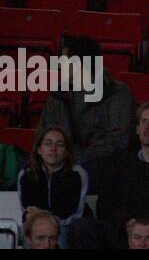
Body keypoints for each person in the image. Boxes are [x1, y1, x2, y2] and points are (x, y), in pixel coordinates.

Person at [68, 100, 149, 250]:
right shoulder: (119, 162)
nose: (147, 128)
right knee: (83, 226)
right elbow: (105, 203)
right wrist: (127, 222)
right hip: (123, 229)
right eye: (144, 122)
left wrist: (146, 226)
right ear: (137, 128)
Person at [38, 35, 135, 190]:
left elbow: (118, 140)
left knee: (87, 170)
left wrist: (79, 159)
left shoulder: (118, 93)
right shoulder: (59, 94)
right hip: (63, 157)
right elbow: (45, 132)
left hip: (101, 162)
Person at [18, 126, 89, 246]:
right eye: (48, 144)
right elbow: (28, 211)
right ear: (39, 150)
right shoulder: (26, 173)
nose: (53, 149)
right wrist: (42, 220)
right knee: (31, 234)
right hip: (37, 225)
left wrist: (50, 220)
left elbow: (75, 213)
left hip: (65, 226)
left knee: (56, 236)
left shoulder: (78, 174)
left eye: (59, 145)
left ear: (66, 152)